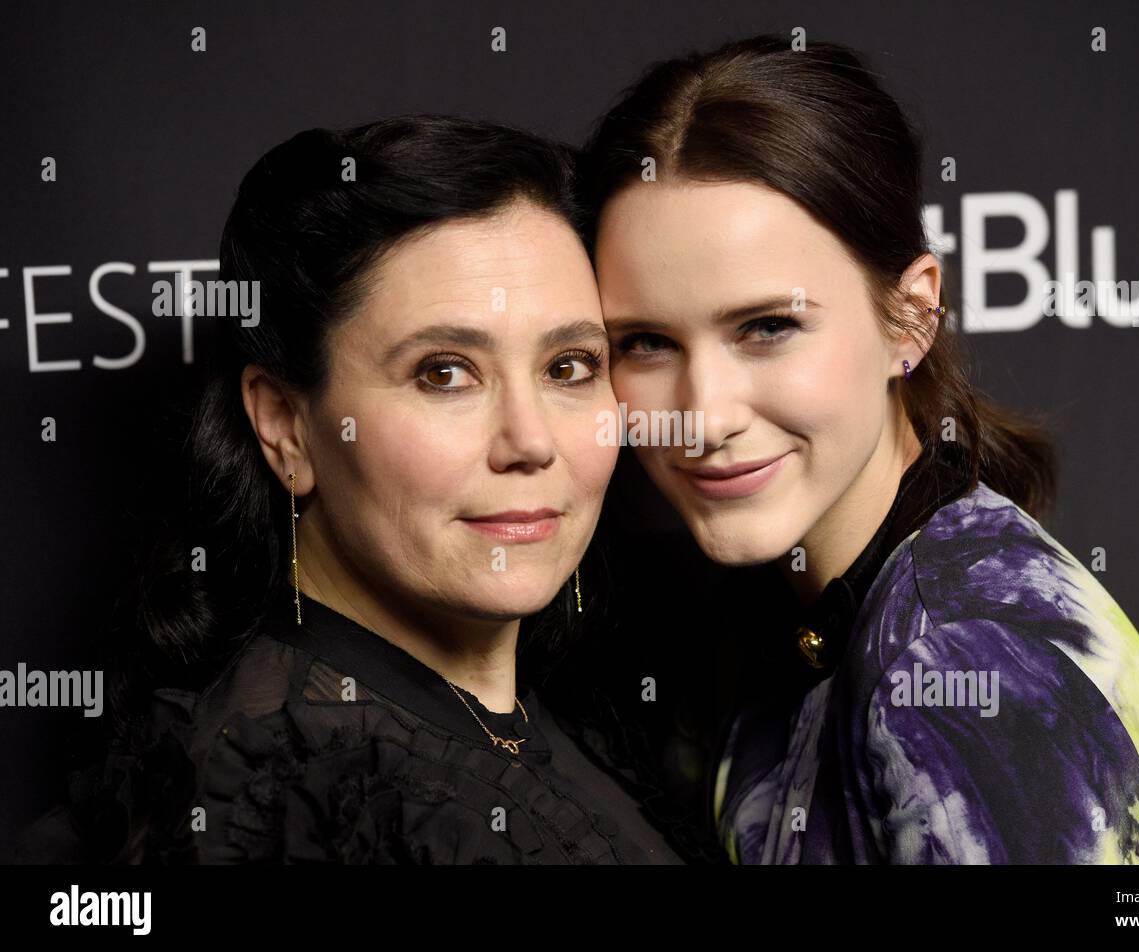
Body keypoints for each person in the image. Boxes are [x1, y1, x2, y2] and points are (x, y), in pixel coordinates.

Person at [579, 35, 1139, 864]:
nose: (704, 415)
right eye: (646, 343)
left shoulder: (958, 665)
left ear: (911, 318)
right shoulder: (805, 617)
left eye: (768, 327)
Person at [12, 114, 681, 864]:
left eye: (568, 367)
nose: (531, 442)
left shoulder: (540, 705)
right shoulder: (291, 807)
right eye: (444, 372)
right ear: (287, 426)